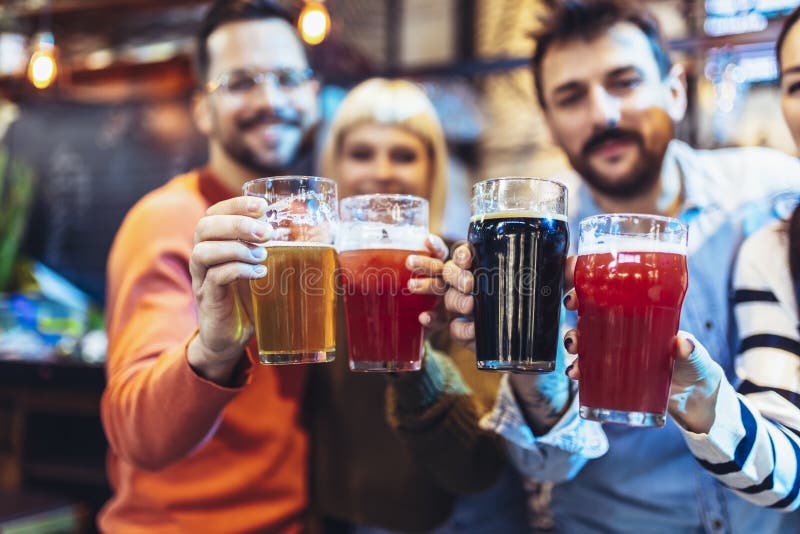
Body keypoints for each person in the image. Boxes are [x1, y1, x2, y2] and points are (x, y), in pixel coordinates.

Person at [435, 0, 800, 531]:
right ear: (551, 124)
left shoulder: (771, 191)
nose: (602, 114)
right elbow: (552, 465)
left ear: (675, 90)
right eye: (571, 97)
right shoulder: (541, 253)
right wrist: (533, 374)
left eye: (624, 82)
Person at [100, 1, 322, 531]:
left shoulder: (307, 225)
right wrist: (214, 350)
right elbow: (139, 435)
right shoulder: (170, 219)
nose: (270, 100)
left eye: (288, 79)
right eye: (241, 82)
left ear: (312, 95)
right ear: (202, 109)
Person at [307, 78, 529, 533]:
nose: (382, 171)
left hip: (462, 521)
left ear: (432, 171)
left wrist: (412, 357)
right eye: (361, 153)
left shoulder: (464, 269)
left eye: (404, 154)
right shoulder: (310, 277)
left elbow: (477, 461)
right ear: (334, 167)